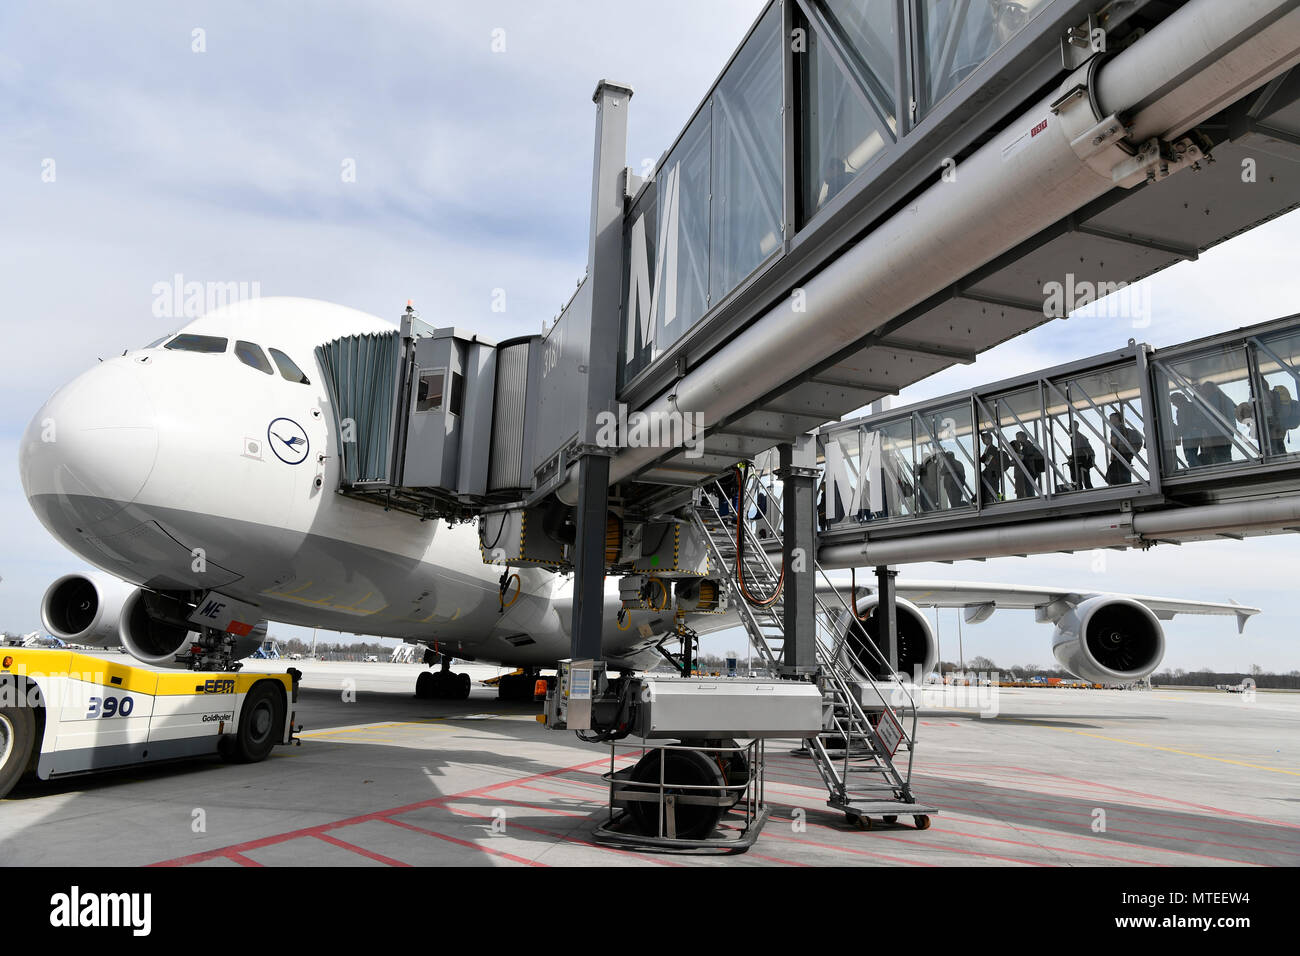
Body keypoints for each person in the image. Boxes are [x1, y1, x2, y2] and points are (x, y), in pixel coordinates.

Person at [1105, 411, 1143, 484]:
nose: (1110, 421)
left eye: (1111, 419)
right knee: (1124, 478)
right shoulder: (1124, 429)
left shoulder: (1115, 430)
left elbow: (1114, 444)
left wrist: (1113, 457)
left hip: (1119, 458)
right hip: (1126, 457)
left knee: (1111, 477)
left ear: (1117, 419)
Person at [1169, 392, 1204, 468]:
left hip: (1189, 436)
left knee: (1191, 458)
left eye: (1173, 402)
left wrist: (1172, 425)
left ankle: (1197, 473)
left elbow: (1182, 427)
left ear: (1177, 400)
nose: (1173, 404)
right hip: (1198, 434)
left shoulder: (1182, 409)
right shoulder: (1192, 405)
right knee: (1199, 457)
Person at [979, 432, 1007, 503]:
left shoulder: (992, 449)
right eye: (982, 439)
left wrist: (980, 459)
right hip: (992, 472)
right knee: (994, 487)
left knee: (994, 488)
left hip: (993, 472)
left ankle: (999, 500)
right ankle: (998, 499)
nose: (983, 441)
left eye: (984, 439)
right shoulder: (989, 448)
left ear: (989, 439)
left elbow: (988, 461)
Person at [1067, 422, 1096, 489]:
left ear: (1076, 427)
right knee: (1086, 483)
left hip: (1081, 464)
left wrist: (1074, 461)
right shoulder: (1078, 437)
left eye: (1070, 427)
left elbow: (1081, 451)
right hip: (1083, 463)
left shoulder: (1077, 437)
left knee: (1080, 484)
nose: (1069, 429)